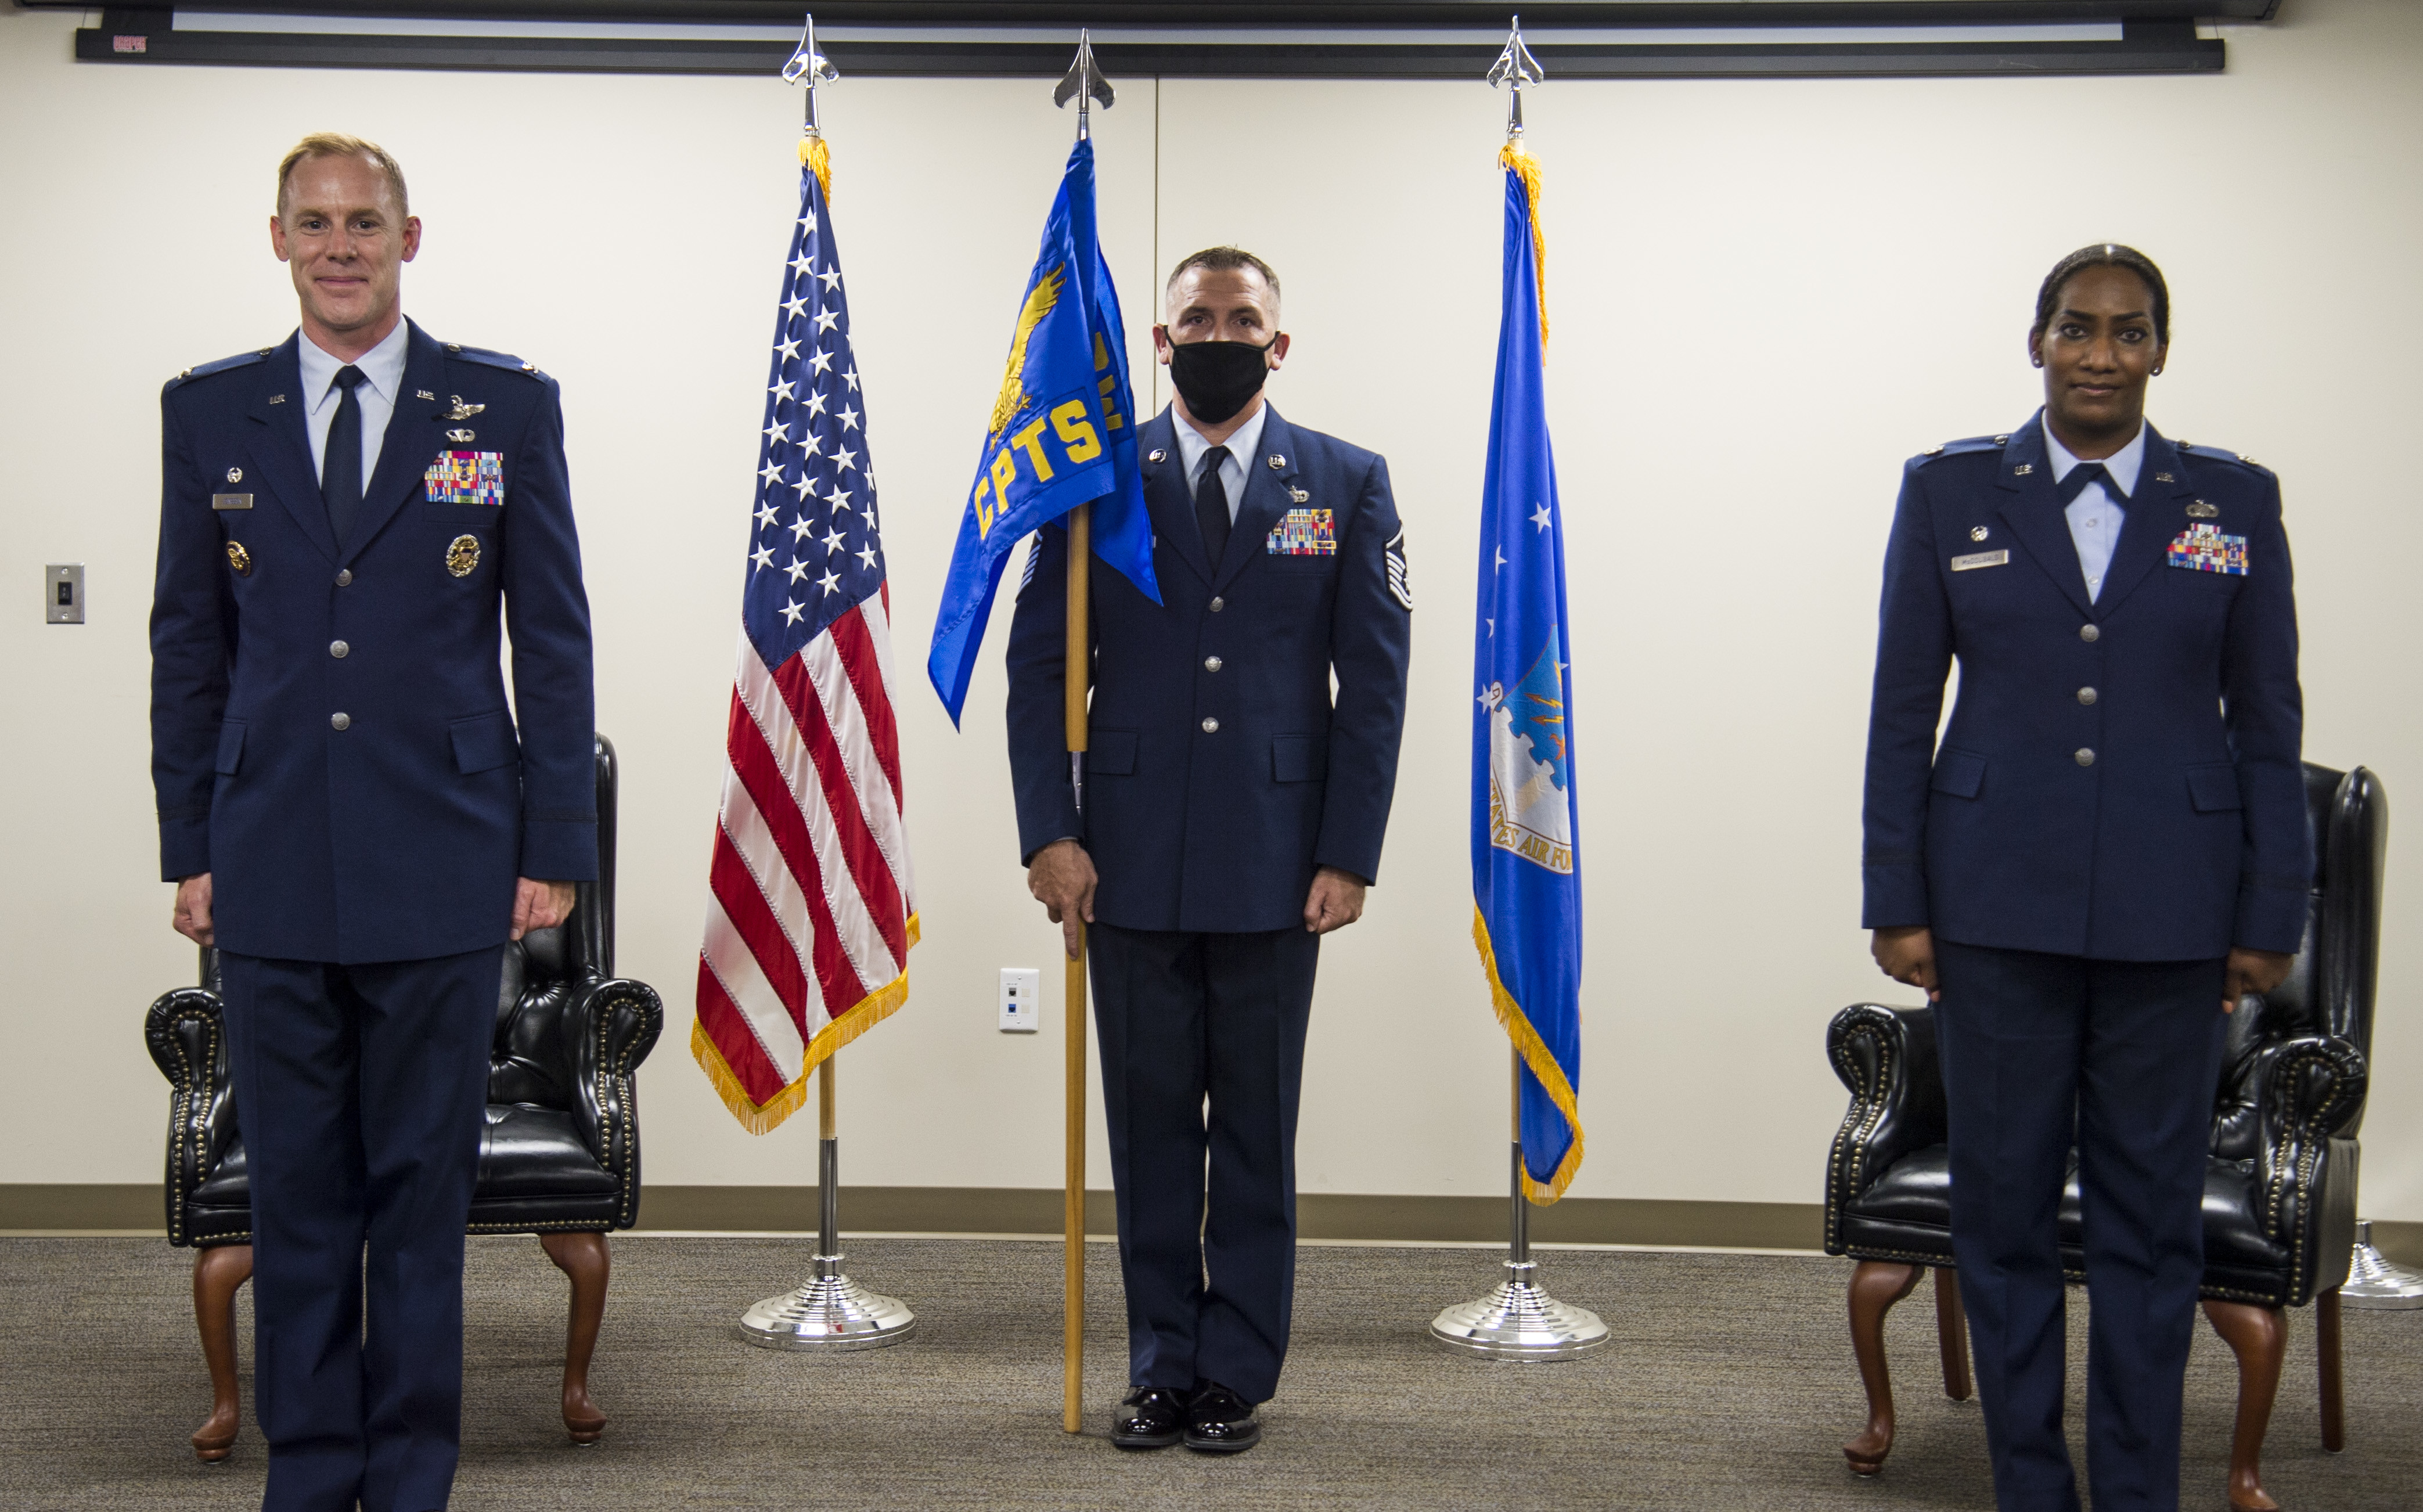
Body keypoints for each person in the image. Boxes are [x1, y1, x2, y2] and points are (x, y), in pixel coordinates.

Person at [149, 133, 595, 1511]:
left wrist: (553, 847)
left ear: (413, 239)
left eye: (365, 222)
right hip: (272, 844)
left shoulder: (502, 408)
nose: (340, 246)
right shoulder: (212, 411)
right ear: (276, 240)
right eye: (315, 223)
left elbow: (555, 640)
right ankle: (313, 1468)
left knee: (415, 1191)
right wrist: (191, 843)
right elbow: (187, 641)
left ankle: (407, 1474)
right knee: (297, 1191)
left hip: (445, 848)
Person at [1861, 243, 2307, 1512]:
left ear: (2159, 348)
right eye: (2074, 329)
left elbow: (2265, 719)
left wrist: (2267, 909)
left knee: (2146, 1225)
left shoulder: (2229, 501)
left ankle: (2133, 1491)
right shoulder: (1950, 493)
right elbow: (1903, 708)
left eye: (2125, 332)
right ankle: (2028, 1488)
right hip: (1992, 908)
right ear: (2035, 342)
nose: (2098, 354)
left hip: (2176, 916)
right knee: (2001, 1221)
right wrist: (1896, 899)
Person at [1007, 247, 1412, 1454]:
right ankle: (1158, 1367)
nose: (1219, 333)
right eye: (1197, 317)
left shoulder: (1344, 482)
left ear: (1278, 344)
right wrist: (1050, 831)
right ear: (1159, 337)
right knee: (1146, 1130)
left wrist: (1349, 852)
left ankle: (1232, 1372)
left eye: (1243, 318)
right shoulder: (1092, 480)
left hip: (1279, 863)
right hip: (1121, 859)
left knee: (1249, 1129)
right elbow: (1041, 671)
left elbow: (1373, 689)